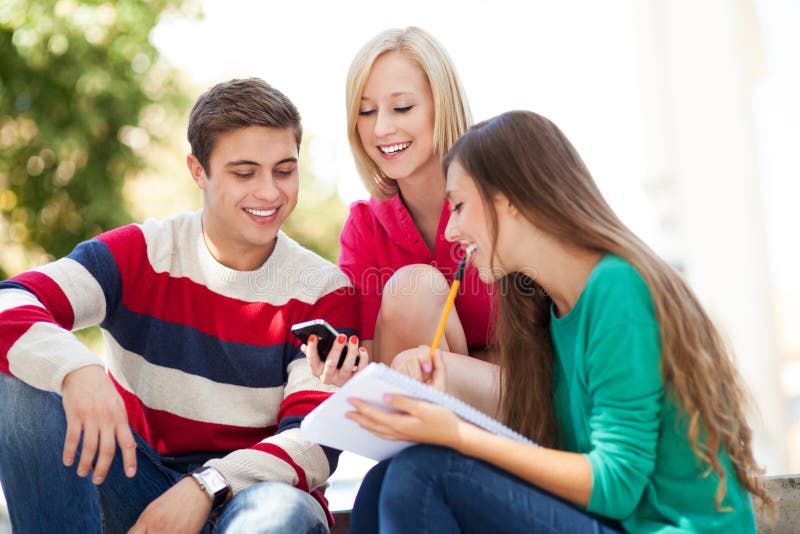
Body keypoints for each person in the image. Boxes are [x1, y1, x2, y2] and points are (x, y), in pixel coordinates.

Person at [345, 110, 771, 533]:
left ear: (508, 200)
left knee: (424, 474)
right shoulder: (544, 310)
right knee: (382, 480)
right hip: (605, 523)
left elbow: (615, 484)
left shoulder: (618, 288)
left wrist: (458, 435)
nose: (452, 230)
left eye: (458, 206)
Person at [0, 78, 359, 533]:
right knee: (20, 378)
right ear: (198, 171)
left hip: (252, 502)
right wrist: (77, 370)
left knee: (283, 509)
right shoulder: (141, 253)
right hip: (136, 486)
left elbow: (315, 441)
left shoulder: (323, 289)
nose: (269, 193)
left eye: (284, 171)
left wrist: (206, 485)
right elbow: (9, 299)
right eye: (244, 173)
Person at [309, 27, 495, 390]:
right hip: (420, 408)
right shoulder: (365, 224)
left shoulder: (501, 197)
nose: (381, 129)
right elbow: (374, 360)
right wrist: (345, 371)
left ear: (442, 105)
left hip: (519, 400)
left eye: (402, 108)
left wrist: (456, 366)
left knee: (414, 290)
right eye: (365, 111)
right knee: (414, 288)